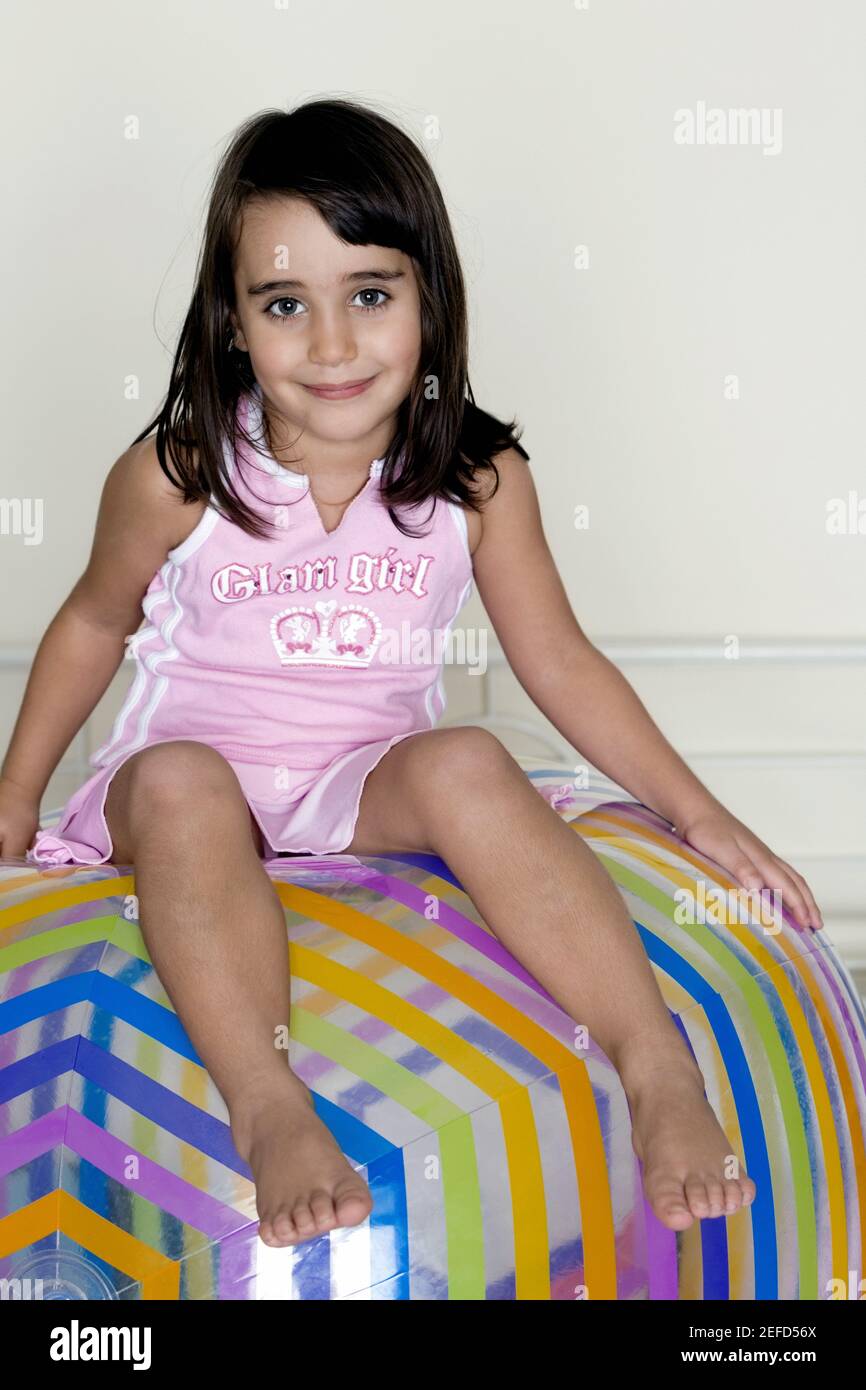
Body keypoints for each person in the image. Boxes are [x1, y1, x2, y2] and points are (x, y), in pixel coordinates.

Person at [0, 99, 823, 1251]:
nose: (333, 347)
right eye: (286, 306)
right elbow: (93, 619)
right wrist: (16, 790)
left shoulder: (475, 482)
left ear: (429, 299)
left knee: (468, 759)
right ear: (232, 323)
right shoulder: (181, 471)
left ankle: (653, 1068)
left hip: (352, 783)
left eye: (370, 296)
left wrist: (699, 812)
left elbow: (558, 659)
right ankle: (270, 1102)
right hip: (177, 787)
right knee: (186, 780)